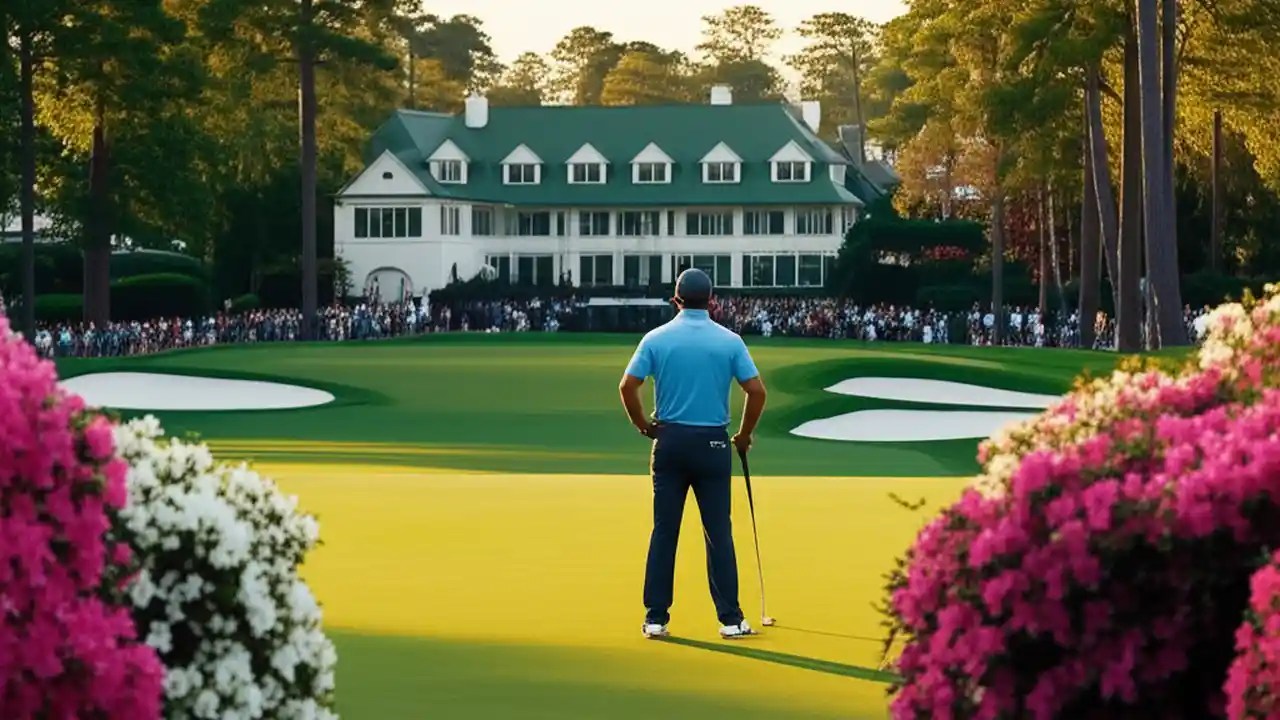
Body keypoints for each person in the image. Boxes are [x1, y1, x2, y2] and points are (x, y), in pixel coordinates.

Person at [618, 268, 768, 641]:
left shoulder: (656, 338)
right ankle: (731, 620)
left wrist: (643, 426)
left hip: (668, 442)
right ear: (712, 302)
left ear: (676, 300)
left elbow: (627, 386)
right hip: (713, 445)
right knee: (718, 531)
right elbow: (757, 391)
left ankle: (655, 618)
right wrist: (745, 435)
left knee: (665, 530)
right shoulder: (729, 341)